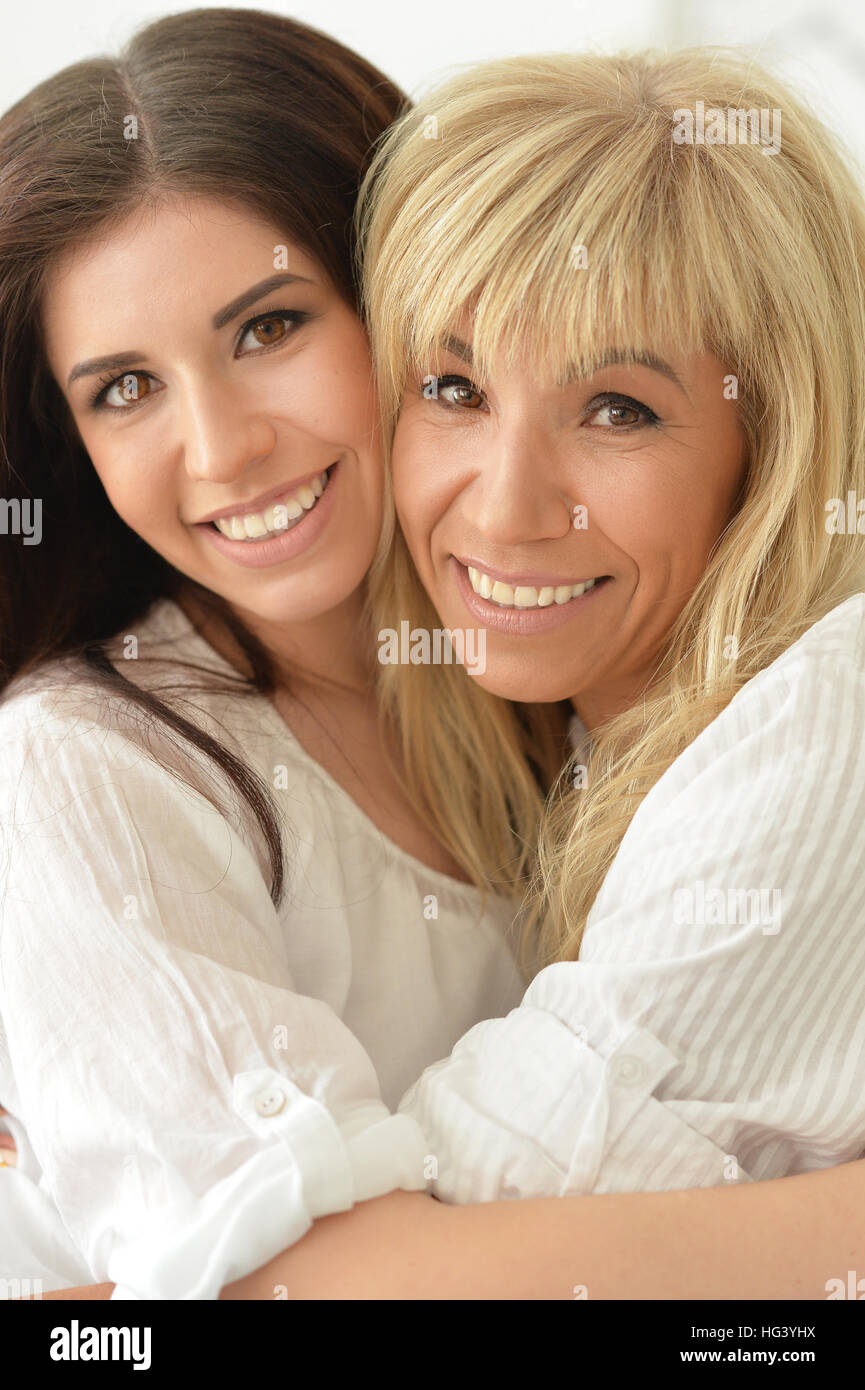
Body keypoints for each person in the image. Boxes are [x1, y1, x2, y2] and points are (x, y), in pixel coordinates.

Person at [0, 8, 562, 1299]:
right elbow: (301, 1289)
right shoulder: (86, 766)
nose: (222, 447)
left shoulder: (557, 657)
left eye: (267, 328)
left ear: (409, 293)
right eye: (123, 389)